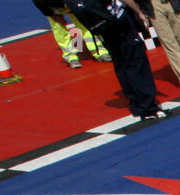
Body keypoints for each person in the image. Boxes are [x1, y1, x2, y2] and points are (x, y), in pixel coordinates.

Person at [34, 0, 166, 120]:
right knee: (63, 28)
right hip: (66, 7)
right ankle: (72, 54)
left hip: (78, 8)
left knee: (80, 26)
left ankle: (94, 51)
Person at [42, 5, 112, 68]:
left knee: (84, 23)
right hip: (51, 6)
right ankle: (70, 57)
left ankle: (99, 51)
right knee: (59, 28)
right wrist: (56, 18)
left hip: (72, 3)